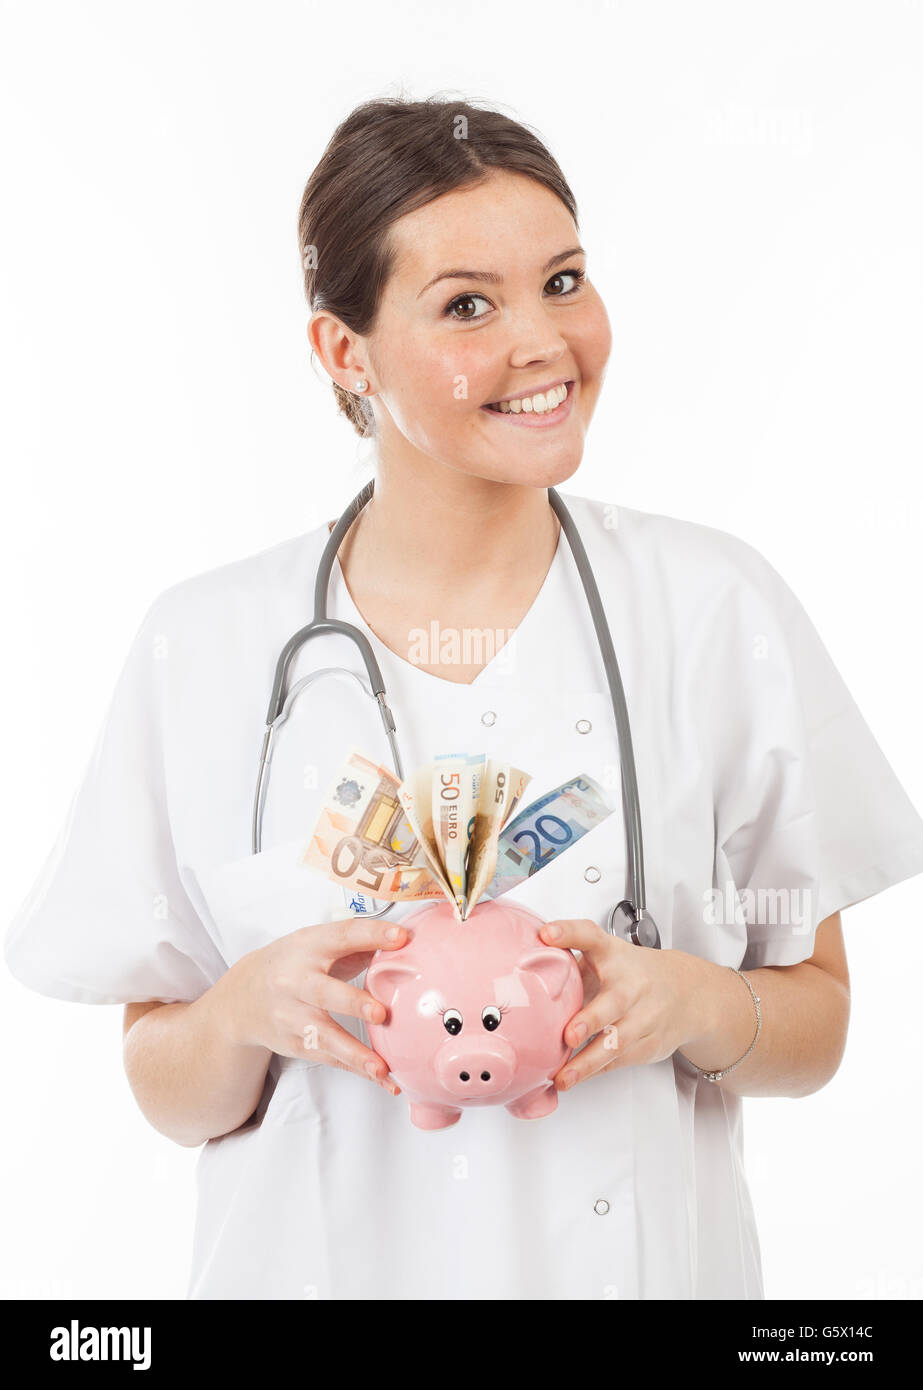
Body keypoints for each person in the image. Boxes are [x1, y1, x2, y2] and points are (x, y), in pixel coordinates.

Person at [6, 95, 923, 1301]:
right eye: (466, 306)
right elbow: (165, 1087)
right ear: (345, 352)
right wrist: (239, 1014)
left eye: (562, 280)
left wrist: (691, 999)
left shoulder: (712, 610)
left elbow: (813, 1034)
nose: (543, 342)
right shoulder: (210, 643)